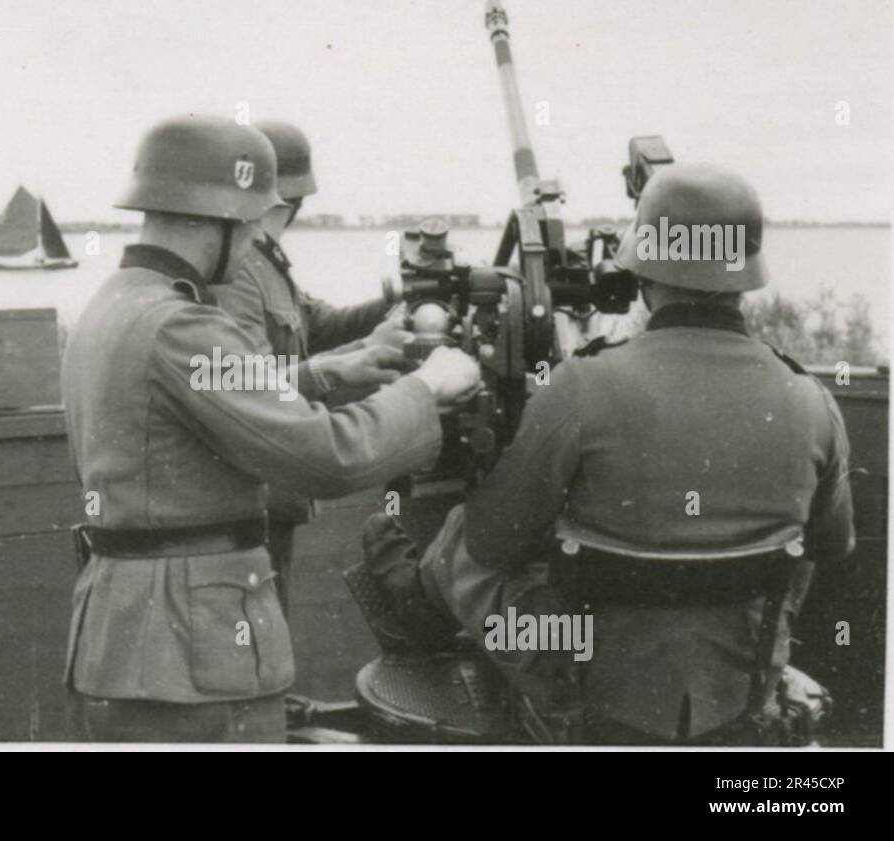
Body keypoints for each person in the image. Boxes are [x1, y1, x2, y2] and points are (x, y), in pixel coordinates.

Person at [365, 163, 854, 745]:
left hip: (587, 686)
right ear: (746, 276)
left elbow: (496, 543)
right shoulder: (812, 401)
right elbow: (832, 545)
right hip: (739, 690)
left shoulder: (581, 385)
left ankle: (414, 613)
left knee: (463, 538)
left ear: (644, 272)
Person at [61, 114, 479, 743]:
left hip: (128, 637)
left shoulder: (113, 304)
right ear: (211, 216)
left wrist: (338, 368)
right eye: (252, 218)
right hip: (191, 648)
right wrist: (428, 388)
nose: (261, 233)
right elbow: (325, 455)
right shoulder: (182, 329)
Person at [216, 120, 408, 611]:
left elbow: (316, 323)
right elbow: (250, 386)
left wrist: (394, 303)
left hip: (277, 484)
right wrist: (353, 361)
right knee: (260, 611)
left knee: (269, 608)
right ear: (294, 198)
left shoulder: (267, 262)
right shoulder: (239, 274)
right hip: (257, 483)